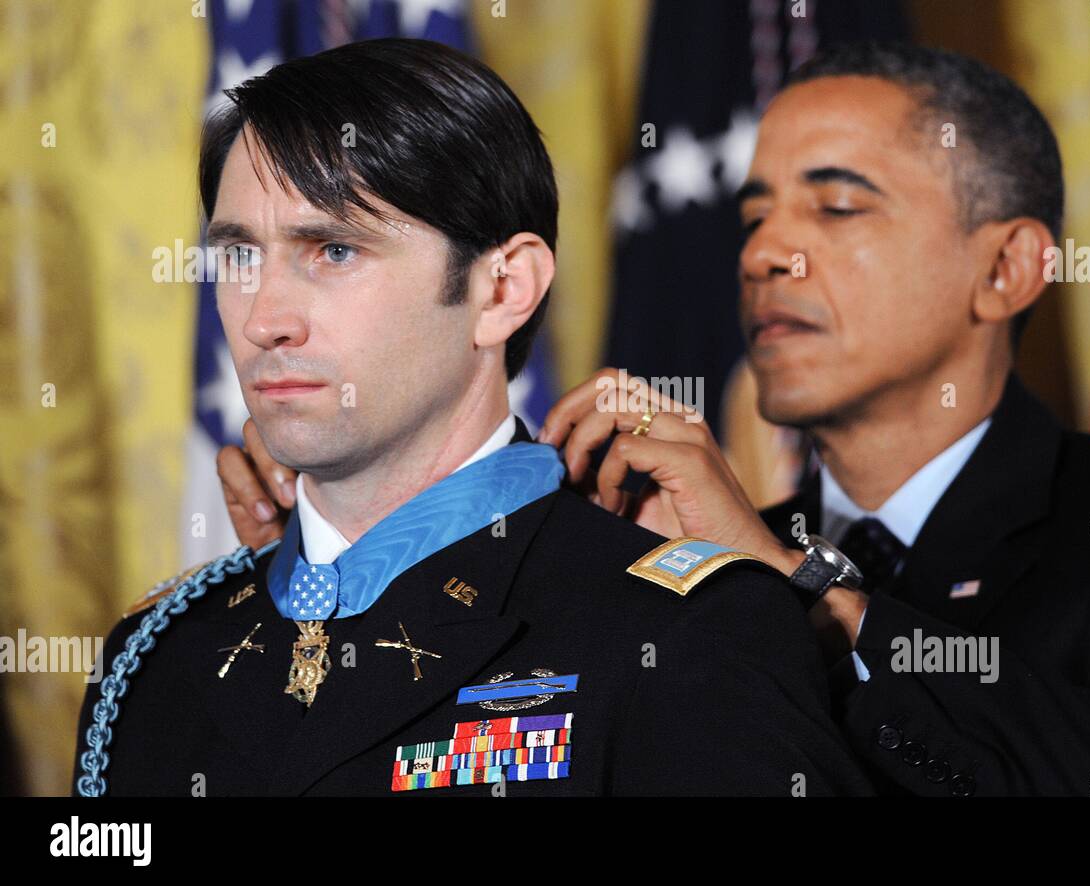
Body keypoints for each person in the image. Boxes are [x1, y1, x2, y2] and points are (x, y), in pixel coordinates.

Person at [223, 40, 1090, 796]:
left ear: (1007, 267)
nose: (761, 252)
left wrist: (808, 599)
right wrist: (352, 568)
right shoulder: (678, 561)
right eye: (752, 215)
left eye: (835, 206)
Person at [71, 38, 871, 798]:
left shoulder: (685, 634)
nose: (263, 320)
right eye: (239, 256)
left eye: (334, 251)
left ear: (502, 291)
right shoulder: (153, 656)